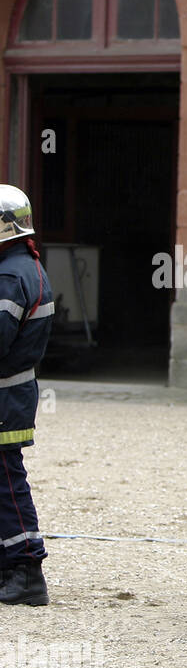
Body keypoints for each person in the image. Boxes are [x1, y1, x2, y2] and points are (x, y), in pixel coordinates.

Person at [0, 185, 53, 606]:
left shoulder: (9, 276)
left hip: (4, 401)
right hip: (14, 397)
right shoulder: (27, 266)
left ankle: (26, 571)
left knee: (7, 484)